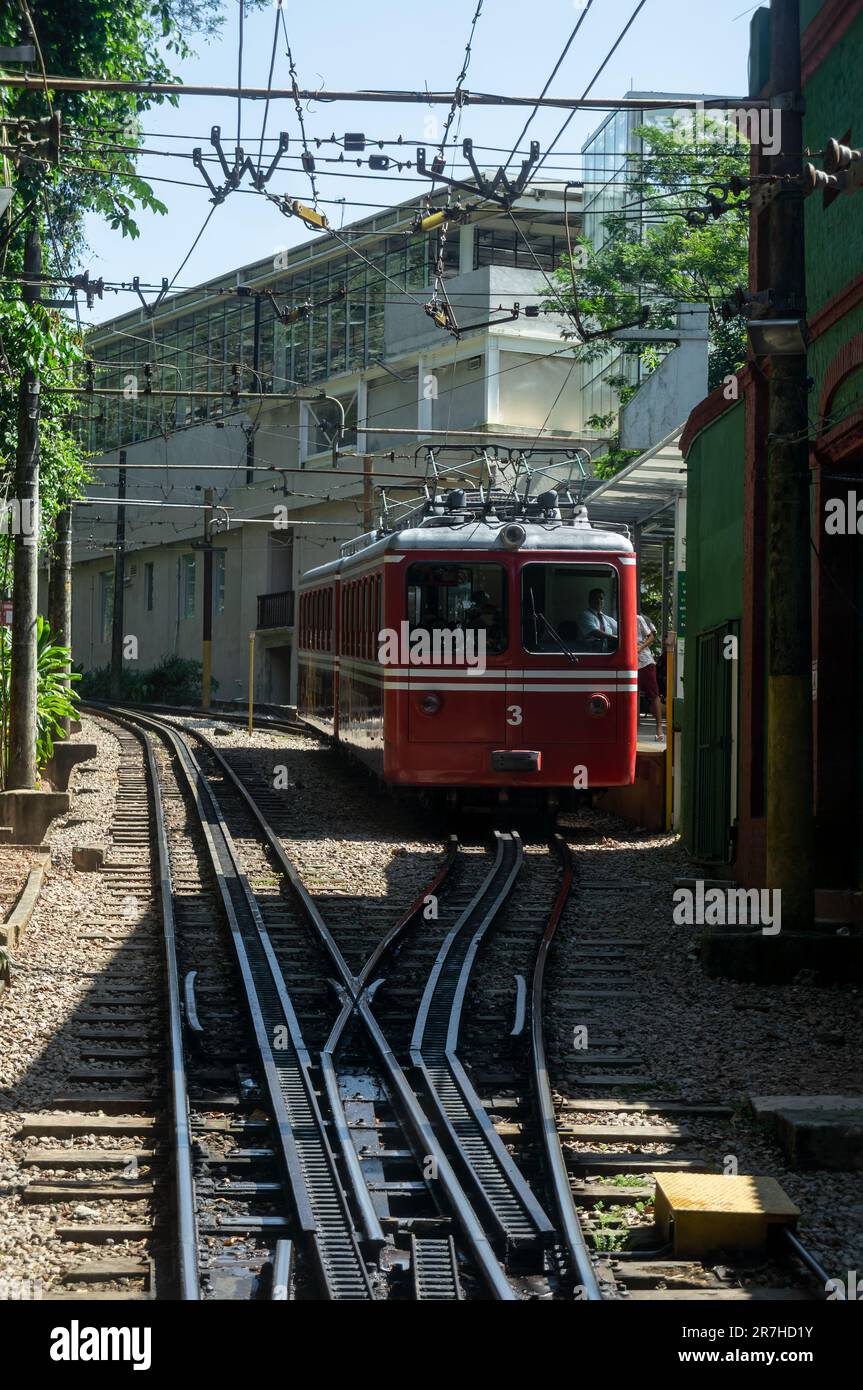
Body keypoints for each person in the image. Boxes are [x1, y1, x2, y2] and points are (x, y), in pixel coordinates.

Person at [637, 612, 663, 741]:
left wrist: (640, 647)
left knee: (653, 695)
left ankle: (659, 728)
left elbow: (651, 636)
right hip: (629, 663)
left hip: (645, 662)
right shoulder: (615, 620)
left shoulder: (639, 618)